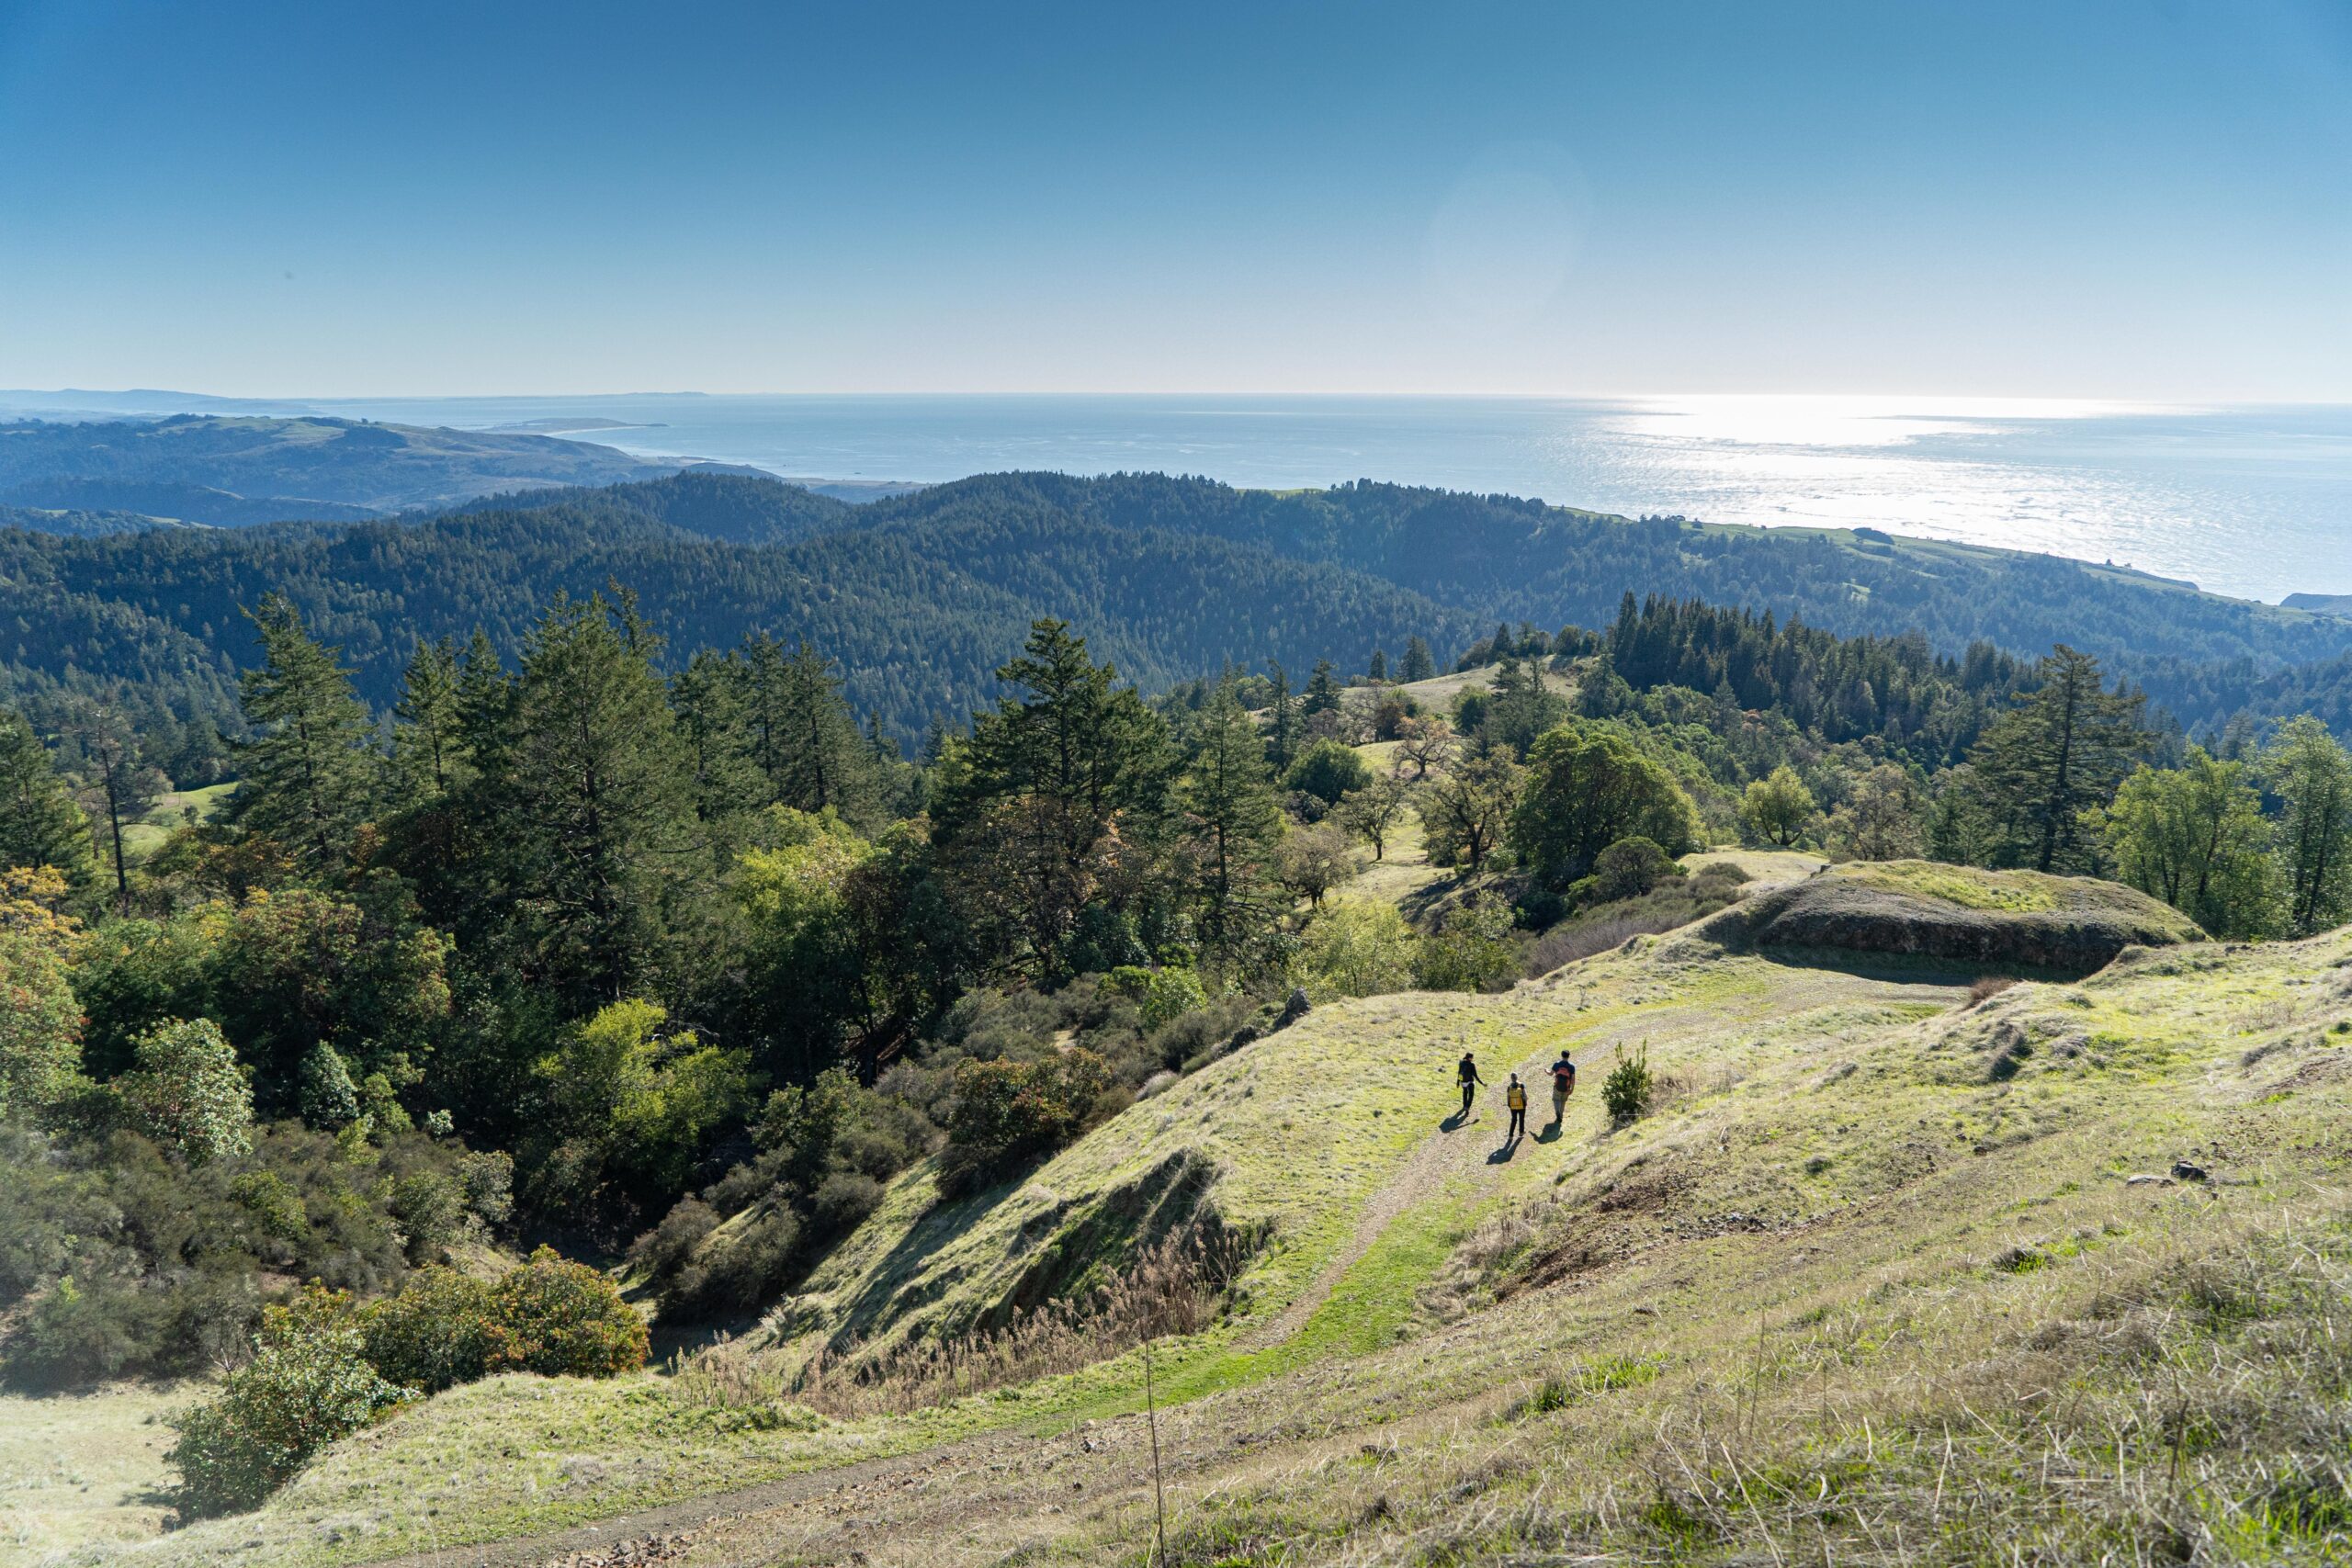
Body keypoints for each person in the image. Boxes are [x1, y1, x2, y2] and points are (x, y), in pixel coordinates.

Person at [1548, 1050, 1576, 1128]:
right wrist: (1572, 1089)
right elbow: (1573, 1079)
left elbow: (1550, 1074)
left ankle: (1557, 1112)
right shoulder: (1572, 1066)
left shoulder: (1557, 1064)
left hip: (1557, 1087)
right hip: (1567, 1088)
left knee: (1556, 1100)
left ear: (1561, 1055)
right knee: (1563, 1101)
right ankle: (1561, 1115)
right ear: (1569, 1056)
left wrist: (1546, 1071)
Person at [1455, 1051, 1485, 1118]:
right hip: (1470, 1081)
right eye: (1472, 1058)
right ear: (1469, 1058)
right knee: (1471, 1095)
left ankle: (1464, 1106)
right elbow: (1475, 1075)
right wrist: (1481, 1083)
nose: (1472, 1059)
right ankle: (1467, 1107)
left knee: (1465, 1093)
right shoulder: (1472, 1065)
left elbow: (1459, 1073)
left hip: (1463, 1082)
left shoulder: (1461, 1063)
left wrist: (1458, 1082)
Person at [1505, 1074, 1528, 1140]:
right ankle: (1521, 1132)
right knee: (1521, 1119)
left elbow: (1508, 1097)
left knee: (1514, 1120)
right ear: (1517, 1077)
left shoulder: (1509, 1087)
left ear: (1511, 1078)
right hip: (1521, 1106)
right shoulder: (1521, 1085)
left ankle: (1510, 1135)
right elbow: (1525, 1096)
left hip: (1513, 1106)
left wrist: (1509, 1105)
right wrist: (1526, 1102)